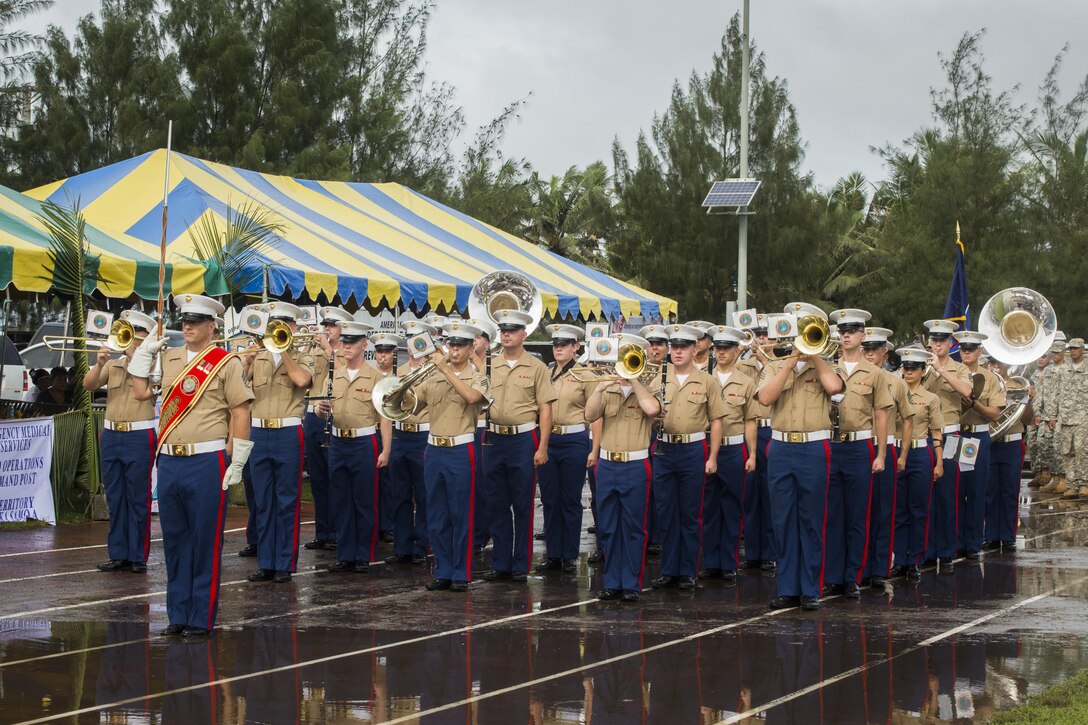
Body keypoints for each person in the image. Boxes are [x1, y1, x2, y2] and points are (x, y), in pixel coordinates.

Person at [130, 294, 254, 637]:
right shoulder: (167, 358)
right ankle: (178, 615)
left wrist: (238, 459)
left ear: (212, 326)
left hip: (206, 460)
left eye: (196, 321)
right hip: (170, 459)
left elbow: (240, 411)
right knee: (175, 541)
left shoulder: (225, 362)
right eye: (184, 320)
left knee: (205, 541)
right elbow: (141, 392)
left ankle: (201, 617)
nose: (188, 326)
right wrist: (141, 357)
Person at [757, 302, 844, 611]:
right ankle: (787, 588)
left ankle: (810, 588)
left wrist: (815, 356)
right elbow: (766, 398)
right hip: (780, 447)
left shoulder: (826, 367)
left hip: (813, 447)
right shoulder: (771, 366)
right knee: (783, 520)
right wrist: (790, 361)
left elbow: (835, 388)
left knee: (811, 519)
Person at [480, 309, 556, 583]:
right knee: (496, 503)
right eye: (503, 330)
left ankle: (521, 564)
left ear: (525, 333)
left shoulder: (537, 367)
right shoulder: (489, 364)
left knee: (522, 504)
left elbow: (545, 409)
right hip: (493, 439)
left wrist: (543, 446)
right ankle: (501, 563)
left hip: (523, 439)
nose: (507, 334)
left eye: (512, 330)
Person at [241, 302, 314, 584]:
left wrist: (282, 350)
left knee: (286, 501)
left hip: (287, 433)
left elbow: (301, 380)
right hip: (259, 432)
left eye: (285, 324)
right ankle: (266, 562)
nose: (280, 328)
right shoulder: (257, 358)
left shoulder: (301, 356)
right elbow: (238, 387)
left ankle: (284, 563)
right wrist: (246, 360)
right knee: (262, 501)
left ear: (294, 327)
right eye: (275, 324)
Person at [584, 334, 661, 601]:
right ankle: (612, 581)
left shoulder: (650, 389)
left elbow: (652, 410)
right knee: (608, 526)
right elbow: (590, 415)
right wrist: (599, 386)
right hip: (607, 464)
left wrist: (635, 379)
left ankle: (630, 583)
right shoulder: (609, 389)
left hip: (636, 465)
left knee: (633, 527)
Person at [413, 320, 488, 591]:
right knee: (436, 514)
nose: (454, 350)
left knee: (461, 513)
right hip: (433, 448)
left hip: (460, 448)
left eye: (460, 346)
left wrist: (445, 370)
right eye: (451, 345)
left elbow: (471, 398)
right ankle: (442, 570)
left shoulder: (479, 375)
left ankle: (461, 573)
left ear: (471, 349)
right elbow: (410, 403)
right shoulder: (432, 374)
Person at [823, 309, 893, 600]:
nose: (846, 335)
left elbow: (881, 415)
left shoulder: (875, 373)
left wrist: (881, 454)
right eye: (842, 331)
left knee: (857, 515)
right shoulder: (828, 368)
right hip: (830, 445)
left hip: (858, 446)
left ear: (863, 336)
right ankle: (833, 576)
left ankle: (853, 575)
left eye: (852, 330)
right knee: (833, 515)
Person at [651, 323, 725, 590]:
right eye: (675, 347)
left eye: (684, 347)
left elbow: (716, 420)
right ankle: (669, 569)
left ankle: (688, 571)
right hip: (664, 450)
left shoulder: (707, 381)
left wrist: (713, 456)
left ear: (695, 349)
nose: (678, 351)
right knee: (666, 512)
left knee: (690, 513)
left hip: (693, 449)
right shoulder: (658, 377)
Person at [83, 309, 158, 574]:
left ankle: (137, 555)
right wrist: (99, 363)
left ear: (145, 339)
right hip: (112, 433)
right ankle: (118, 553)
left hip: (139, 433)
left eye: (136, 338)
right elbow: (89, 385)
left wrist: (139, 357)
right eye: (128, 337)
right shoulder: (113, 364)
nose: (130, 343)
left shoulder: (153, 364)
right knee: (115, 496)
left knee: (138, 496)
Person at [314, 321, 392, 573]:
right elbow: (320, 407)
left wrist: (386, 450)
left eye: (352, 342)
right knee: (341, 499)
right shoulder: (333, 373)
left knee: (364, 500)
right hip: (337, 440)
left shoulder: (375, 377)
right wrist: (319, 409)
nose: (346, 347)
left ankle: (363, 554)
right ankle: (345, 553)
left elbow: (384, 417)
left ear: (363, 345)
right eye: (344, 342)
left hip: (363, 441)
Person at [701, 325, 757, 582]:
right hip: (705, 447)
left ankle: (729, 562)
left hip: (734, 448)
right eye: (717, 348)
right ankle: (711, 561)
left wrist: (752, 454)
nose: (720, 353)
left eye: (726, 348)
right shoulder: (702, 378)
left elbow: (750, 421)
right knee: (709, 507)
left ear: (737, 351)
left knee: (732, 507)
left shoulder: (746, 382)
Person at [537, 324, 594, 574]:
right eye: (555, 344)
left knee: (570, 499)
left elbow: (595, 413)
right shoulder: (546, 372)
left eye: (564, 344)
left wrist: (595, 448)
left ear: (576, 347)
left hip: (574, 440)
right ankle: (553, 554)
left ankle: (569, 554)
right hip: (549, 440)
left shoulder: (586, 375)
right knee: (550, 499)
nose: (558, 348)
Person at [859, 326, 913, 588]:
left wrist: (902, 454)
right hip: (856, 447)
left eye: (873, 350)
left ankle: (879, 568)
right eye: (865, 349)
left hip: (884, 448)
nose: (869, 354)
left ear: (885, 352)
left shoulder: (897, 383)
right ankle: (856, 569)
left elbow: (908, 418)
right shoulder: (851, 377)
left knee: (882, 511)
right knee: (856, 512)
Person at [922, 319, 974, 573]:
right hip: (925, 436)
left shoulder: (959, 369)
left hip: (952, 436)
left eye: (942, 340)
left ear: (951, 343)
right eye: (934, 340)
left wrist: (941, 371)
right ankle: (928, 551)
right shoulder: (921, 365)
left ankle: (947, 551)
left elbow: (966, 392)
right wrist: (928, 369)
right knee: (926, 497)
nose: (937, 344)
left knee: (949, 495)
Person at [303, 306, 354, 551]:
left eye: (332, 326)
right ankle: (322, 531)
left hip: (334, 415)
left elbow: (345, 369)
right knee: (318, 477)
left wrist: (327, 348)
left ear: (343, 329)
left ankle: (338, 532)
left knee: (335, 477)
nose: (327, 329)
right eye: (326, 325)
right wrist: (306, 347)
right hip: (313, 412)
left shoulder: (345, 352)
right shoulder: (315, 348)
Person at [892, 347, 943, 581]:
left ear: (923, 371)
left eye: (913, 368)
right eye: (905, 367)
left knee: (918, 510)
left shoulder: (931, 398)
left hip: (920, 453)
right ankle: (899, 559)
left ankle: (915, 560)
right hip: (896, 452)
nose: (908, 371)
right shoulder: (891, 391)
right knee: (899, 510)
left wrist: (939, 462)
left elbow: (936, 432)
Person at [381, 331, 430, 567]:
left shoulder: (433, 372)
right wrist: (387, 450)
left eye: (418, 339)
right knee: (399, 495)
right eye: (410, 340)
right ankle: (402, 547)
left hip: (423, 436)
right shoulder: (397, 374)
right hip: (401, 436)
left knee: (423, 495)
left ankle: (421, 546)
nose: (413, 345)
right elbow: (386, 414)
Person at [954, 330, 1004, 560]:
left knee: (975, 492)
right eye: (963, 348)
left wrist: (975, 405)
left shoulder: (990, 378)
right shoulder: (951, 373)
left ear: (979, 351)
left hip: (975, 437)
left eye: (971, 349)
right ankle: (955, 540)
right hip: (955, 437)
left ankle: (973, 542)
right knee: (955, 491)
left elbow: (995, 414)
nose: (966, 352)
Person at [736, 314, 777, 571]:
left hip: (773, 431)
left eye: (765, 335)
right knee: (750, 494)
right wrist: (742, 347)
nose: (761, 340)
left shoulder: (781, 365)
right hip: (749, 431)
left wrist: (767, 360)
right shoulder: (745, 366)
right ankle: (753, 552)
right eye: (757, 335)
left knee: (771, 494)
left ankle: (770, 552)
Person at [985, 360, 1032, 551]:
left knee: (1010, 490)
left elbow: (1028, 419)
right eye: (992, 362)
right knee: (990, 490)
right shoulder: (985, 383)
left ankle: (1008, 535)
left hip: (1012, 441)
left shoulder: (1020, 385)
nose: (996, 366)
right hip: (990, 442)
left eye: (999, 362)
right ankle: (991, 535)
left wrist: (1030, 401)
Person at [372, 329, 398, 543]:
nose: (382, 356)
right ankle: (376, 522)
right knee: (374, 481)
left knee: (389, 481)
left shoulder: (397, 377)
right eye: (379, 352)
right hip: (371, 430)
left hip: (391, 432)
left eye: (387, 352)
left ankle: (388, 524)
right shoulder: (370, 374)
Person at [1056, 338, 1088, 497]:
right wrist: (1053, 415)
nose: (1073, 351)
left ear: (1082, 349)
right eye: (1071, 348)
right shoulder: (1063, 369)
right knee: (1067, 452)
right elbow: (1056, 393)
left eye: (1076, 348)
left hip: (1083, 416)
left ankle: (1084, 483)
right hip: (1065, 417)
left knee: (1082, 450)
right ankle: (1072, 484)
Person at [1039, 341, 1068, 493]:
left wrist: (1055, 416)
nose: (1055, 355)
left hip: (1062, 414)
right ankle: (1055, 478)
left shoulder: (1067, 369)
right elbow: (1042, 392)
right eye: (1053, 353)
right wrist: (1039, 412)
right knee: (1046, 446)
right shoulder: (1048, 370)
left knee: (1059, 447)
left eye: (1057, 352)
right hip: (1046, 413)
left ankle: (1063, 479)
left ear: (1063, 352)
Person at [1027, 352, 1050, 488]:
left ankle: (1046, 473)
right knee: (1032, 443)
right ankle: (1037, 473)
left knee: (1044, 444)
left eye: (1044, 357)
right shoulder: (1031, 375)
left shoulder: (1052, 373)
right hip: (1032, 414)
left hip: (1046, 414)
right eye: (1039, 357)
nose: (1040, 360)